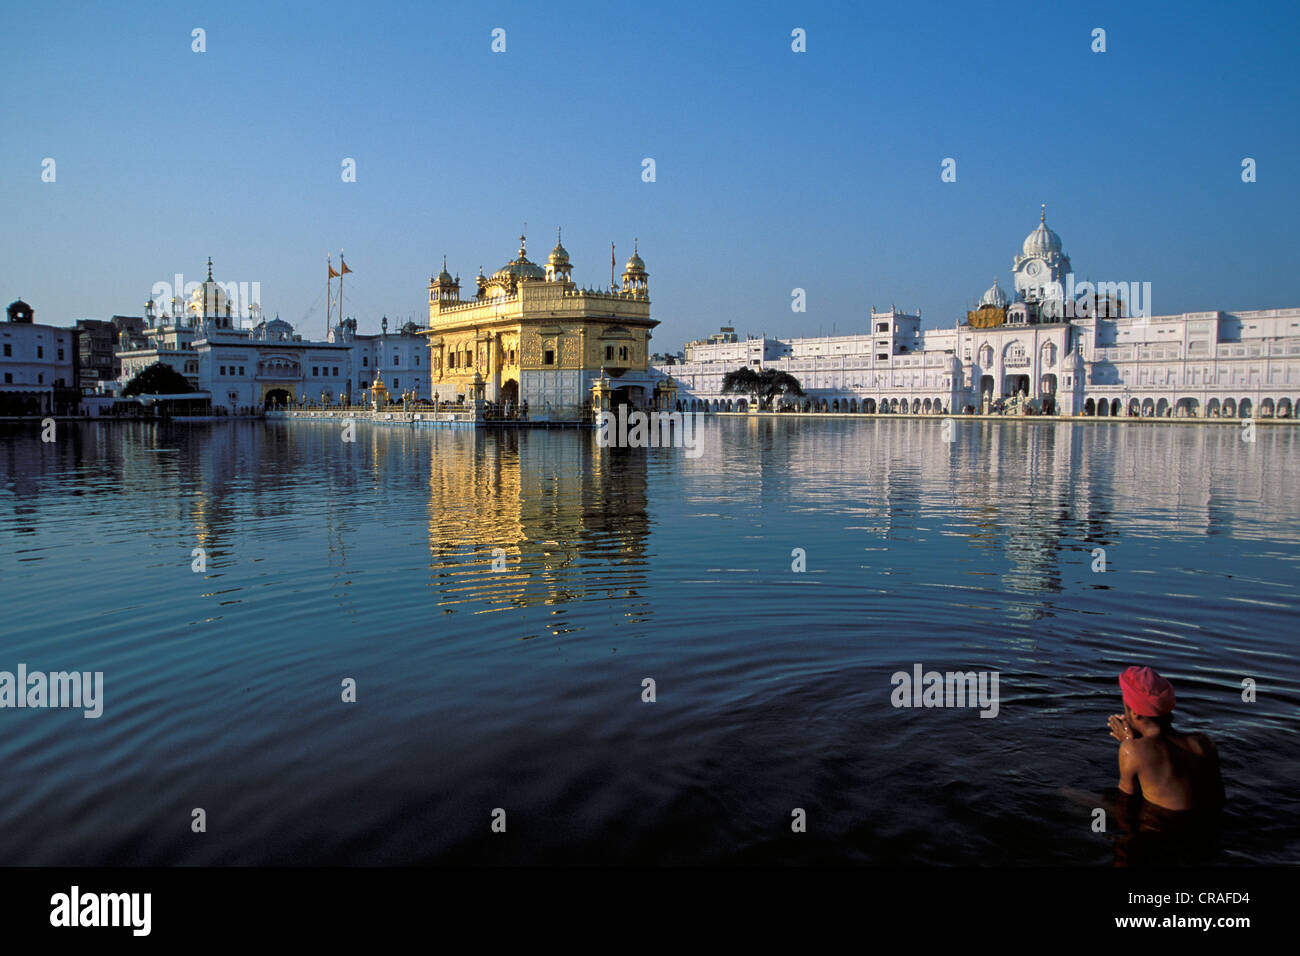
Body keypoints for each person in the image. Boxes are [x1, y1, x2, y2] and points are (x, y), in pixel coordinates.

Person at [1107, 666, 1224, 813]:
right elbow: (1218, 798)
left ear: (1135, 713)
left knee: (1072, 796)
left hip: (1163, 829)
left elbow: (1125, 806)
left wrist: (1128, 743)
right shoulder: (1204, 742)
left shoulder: (1132, 751)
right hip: (1209, 825)